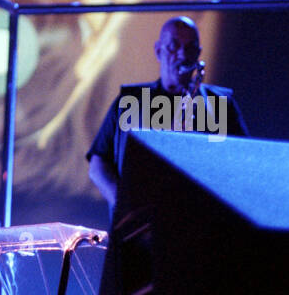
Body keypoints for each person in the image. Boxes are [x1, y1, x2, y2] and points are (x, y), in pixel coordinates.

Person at [86, 16, 249, 219]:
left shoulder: (220, 103)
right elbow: (98, 165)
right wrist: (125, 207)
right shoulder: (131, 101)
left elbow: (243, 163)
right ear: (158, 51)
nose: (183, 54)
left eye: (190, 48)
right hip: (140, 226)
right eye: (173, 46)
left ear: (198, 53)